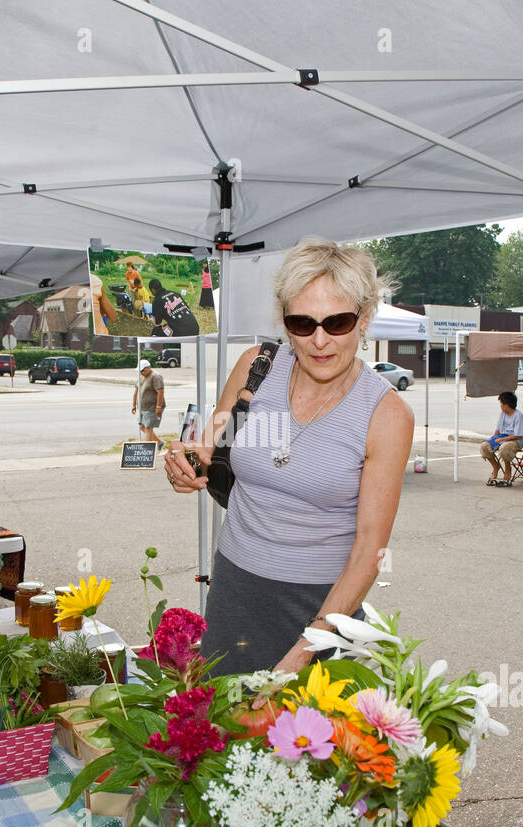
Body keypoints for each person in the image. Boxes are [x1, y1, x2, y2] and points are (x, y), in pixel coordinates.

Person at [162, 237, 413, 676]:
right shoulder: (255, 369)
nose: (319, 340)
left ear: (365, 319)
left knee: (302, 738)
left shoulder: (387, 415)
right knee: (223, 729)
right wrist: (184, 465)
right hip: (234, 588)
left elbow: (369, 551)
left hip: (322, 607)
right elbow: (210, 448)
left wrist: (306, 648)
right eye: (302, 323)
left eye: (337, 323)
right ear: (284, 321)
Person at [481, 391, 523, 487]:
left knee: (505, 447)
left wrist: (501, 440)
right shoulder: (503, 414)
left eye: (501, 403)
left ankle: (507, 468)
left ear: (506, 405)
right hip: (502, 437)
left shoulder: (518, 416)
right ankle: (495, 466)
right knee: (484, 446)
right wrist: (493, 440)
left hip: (515, 440)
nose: (500, 406)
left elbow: (518, 435)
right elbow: (497, 430)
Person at [132, 358, 165, 449]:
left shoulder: (156, 376)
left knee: (148, 428)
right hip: (142, 407)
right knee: (141, 426)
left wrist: (158, 406)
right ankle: (159, 443)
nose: (141, 372)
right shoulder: (141, 377)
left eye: (142, 370)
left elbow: (160, 391)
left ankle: (148, 451)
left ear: (148, 368)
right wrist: (134, 404)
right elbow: (136, 390)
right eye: (139, 371)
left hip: (152, 407)